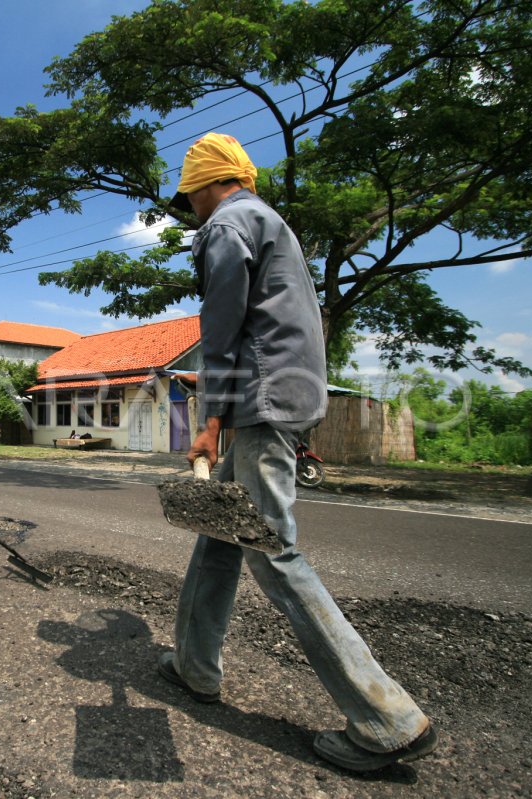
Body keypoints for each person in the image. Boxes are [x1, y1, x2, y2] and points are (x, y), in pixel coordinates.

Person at [158, 133, 437, 772]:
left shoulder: (227, 226)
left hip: (259, 402)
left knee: (273, 552)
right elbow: (271, 329)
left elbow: (222, 331)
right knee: (220, 533)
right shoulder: (270, 222)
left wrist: (208, 421)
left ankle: (385, 717)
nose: (191, 208)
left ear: (204, 184)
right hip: (285, 392)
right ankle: (196, 666)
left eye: (189, 196)